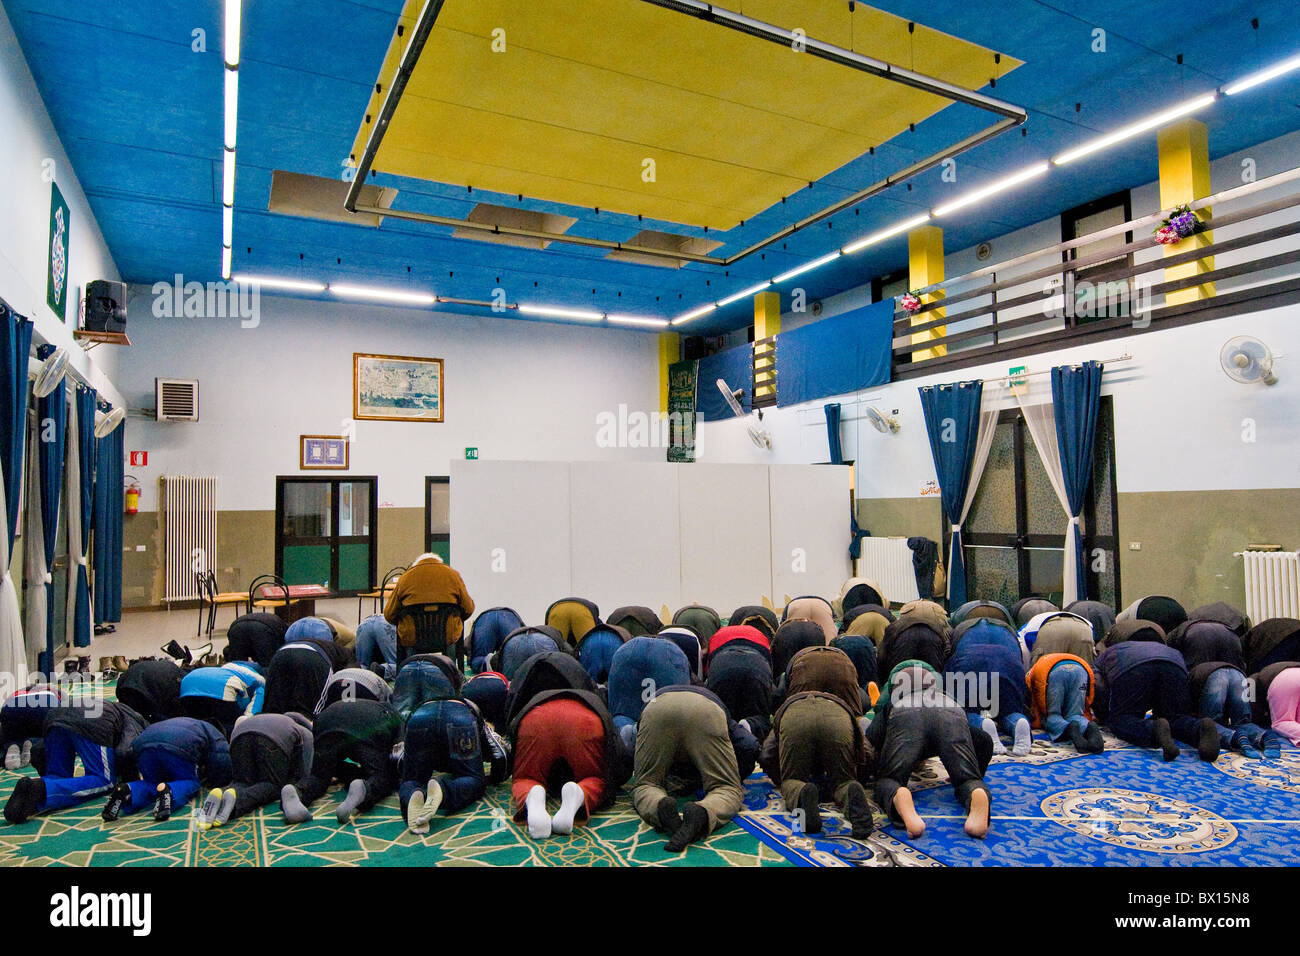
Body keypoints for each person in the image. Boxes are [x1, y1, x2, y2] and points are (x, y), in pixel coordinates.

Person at [866, 661, 991, 839]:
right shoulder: (948, 700)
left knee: (889, 779)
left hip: (906, 720)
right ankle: (975, 793)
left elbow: (871, 740)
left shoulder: (895, 702)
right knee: (967, 780)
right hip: (951, 716)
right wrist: (974, 772)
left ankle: (898, 795)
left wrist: (866, 773)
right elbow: (983, 740)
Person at [632, 685, 752, 851]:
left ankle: (658, 805)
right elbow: (749, 745)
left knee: (646, 784)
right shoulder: (722, 711)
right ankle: (703, 812)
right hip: (707, 711)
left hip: (656, 708)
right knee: (726, 788)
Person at [508, 685, 631, 840]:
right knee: (595, 778)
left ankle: (532, 795)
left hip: (535, 718)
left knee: (526, 778)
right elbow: (616, 753)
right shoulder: (591, 696)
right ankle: (580, 792)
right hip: (586, 722)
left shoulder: (539, 694)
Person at [4, 701, 148, 824]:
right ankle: (42, 789)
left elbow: (39, 749)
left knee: (58, 775)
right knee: (104, 781)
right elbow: (125, 751)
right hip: (92, 722)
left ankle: (33, 793)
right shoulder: (137, 723)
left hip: (56, 716)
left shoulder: (117, 707)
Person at [1092, 640, 1220, 761]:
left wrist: (1103, 715)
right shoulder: (1155, 646)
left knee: (1121, 719)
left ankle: (1153, 729)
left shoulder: (1102, 658)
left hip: (1133, 667)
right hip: (1174, 664)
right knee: (1175, 717)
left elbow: (1098, 685)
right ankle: (1199, 728)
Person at [281, 698, 403, 825]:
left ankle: (297, 791)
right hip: (365, 726)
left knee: (319, 776)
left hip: (326, 720)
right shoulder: (395, 717)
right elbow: (398, 755)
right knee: (381, 776)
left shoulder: (367, 704)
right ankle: (364, 788)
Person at [400, 696, 508, 835]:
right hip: (460, 719)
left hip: (418, 719)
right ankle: (444, 791)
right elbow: (498, 751)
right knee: (473, 778)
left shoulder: (422, 706)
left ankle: (412, 794)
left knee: (411, 780)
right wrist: (496, 777)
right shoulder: (471, 708)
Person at [102, 716, 232, 822]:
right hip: (178, 745)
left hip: (143, 744)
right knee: (189, 781)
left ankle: (127, 790)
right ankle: (170, 792)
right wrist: (218, 779)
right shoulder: (214, 733)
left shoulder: (188, 722)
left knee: (151, 783)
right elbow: (222, 758)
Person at [204, 711, 314, 825]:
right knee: (271, 785)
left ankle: (220, 794)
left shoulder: (271, 718)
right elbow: (306, 771)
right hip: (270, 740)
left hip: (239, 737)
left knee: (242, 782)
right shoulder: (305, 732)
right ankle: (236, 803)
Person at [944, 637, 1032, 756]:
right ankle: (1018, 721)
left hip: (972, 668)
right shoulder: (1005, 648)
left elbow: (947, 685)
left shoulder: (959, 653)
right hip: (1010, 666)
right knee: (1008, 711)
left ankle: (983, 724)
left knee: (964, 711)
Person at [384, 553, 476, 659]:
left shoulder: (405, 578)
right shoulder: (453, 575)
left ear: (416, 564)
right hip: (447, 636)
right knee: (451, 633)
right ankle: (451, 670)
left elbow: (389, 614)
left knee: (408, 636)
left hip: (413, 638)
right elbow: (468, 608)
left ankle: (409, 668)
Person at [1189, 661, 1282, 758]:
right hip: (1239, 675)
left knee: (1210, 724)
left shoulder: (1193, 671)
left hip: (1215, 677)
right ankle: (1267, 737)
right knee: (1243, 722)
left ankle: (1237, 738)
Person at [263, 619, 354, 716]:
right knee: (313, 711)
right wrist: (348, 704)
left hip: (281, 653)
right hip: (315, 657)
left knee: (273, 706)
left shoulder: (294, 634)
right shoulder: (344, 653)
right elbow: (350, 680)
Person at [1026, 653, 1104, 753]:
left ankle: (1067, 728)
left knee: (1053, 715)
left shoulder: (1031, 673)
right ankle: (1089, 727)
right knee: (1075, 714)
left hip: (1053, 672)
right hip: (1080, 668)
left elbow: (1033, 700)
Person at [178, 660, 265, 735]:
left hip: (188, 684)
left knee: (194, 725)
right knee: (224, 728)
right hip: (223, 689)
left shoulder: (221, 670)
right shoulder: (258, 682)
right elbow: (256, 703)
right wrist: (246, 721)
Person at [1, 684, 66, 770]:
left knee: (12, 735)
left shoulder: (19, 691)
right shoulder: (57, 692)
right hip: (46, 702)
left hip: (10, 706)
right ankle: (33, 743)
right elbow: (67, 718)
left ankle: (12, 745)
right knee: (51, 735)